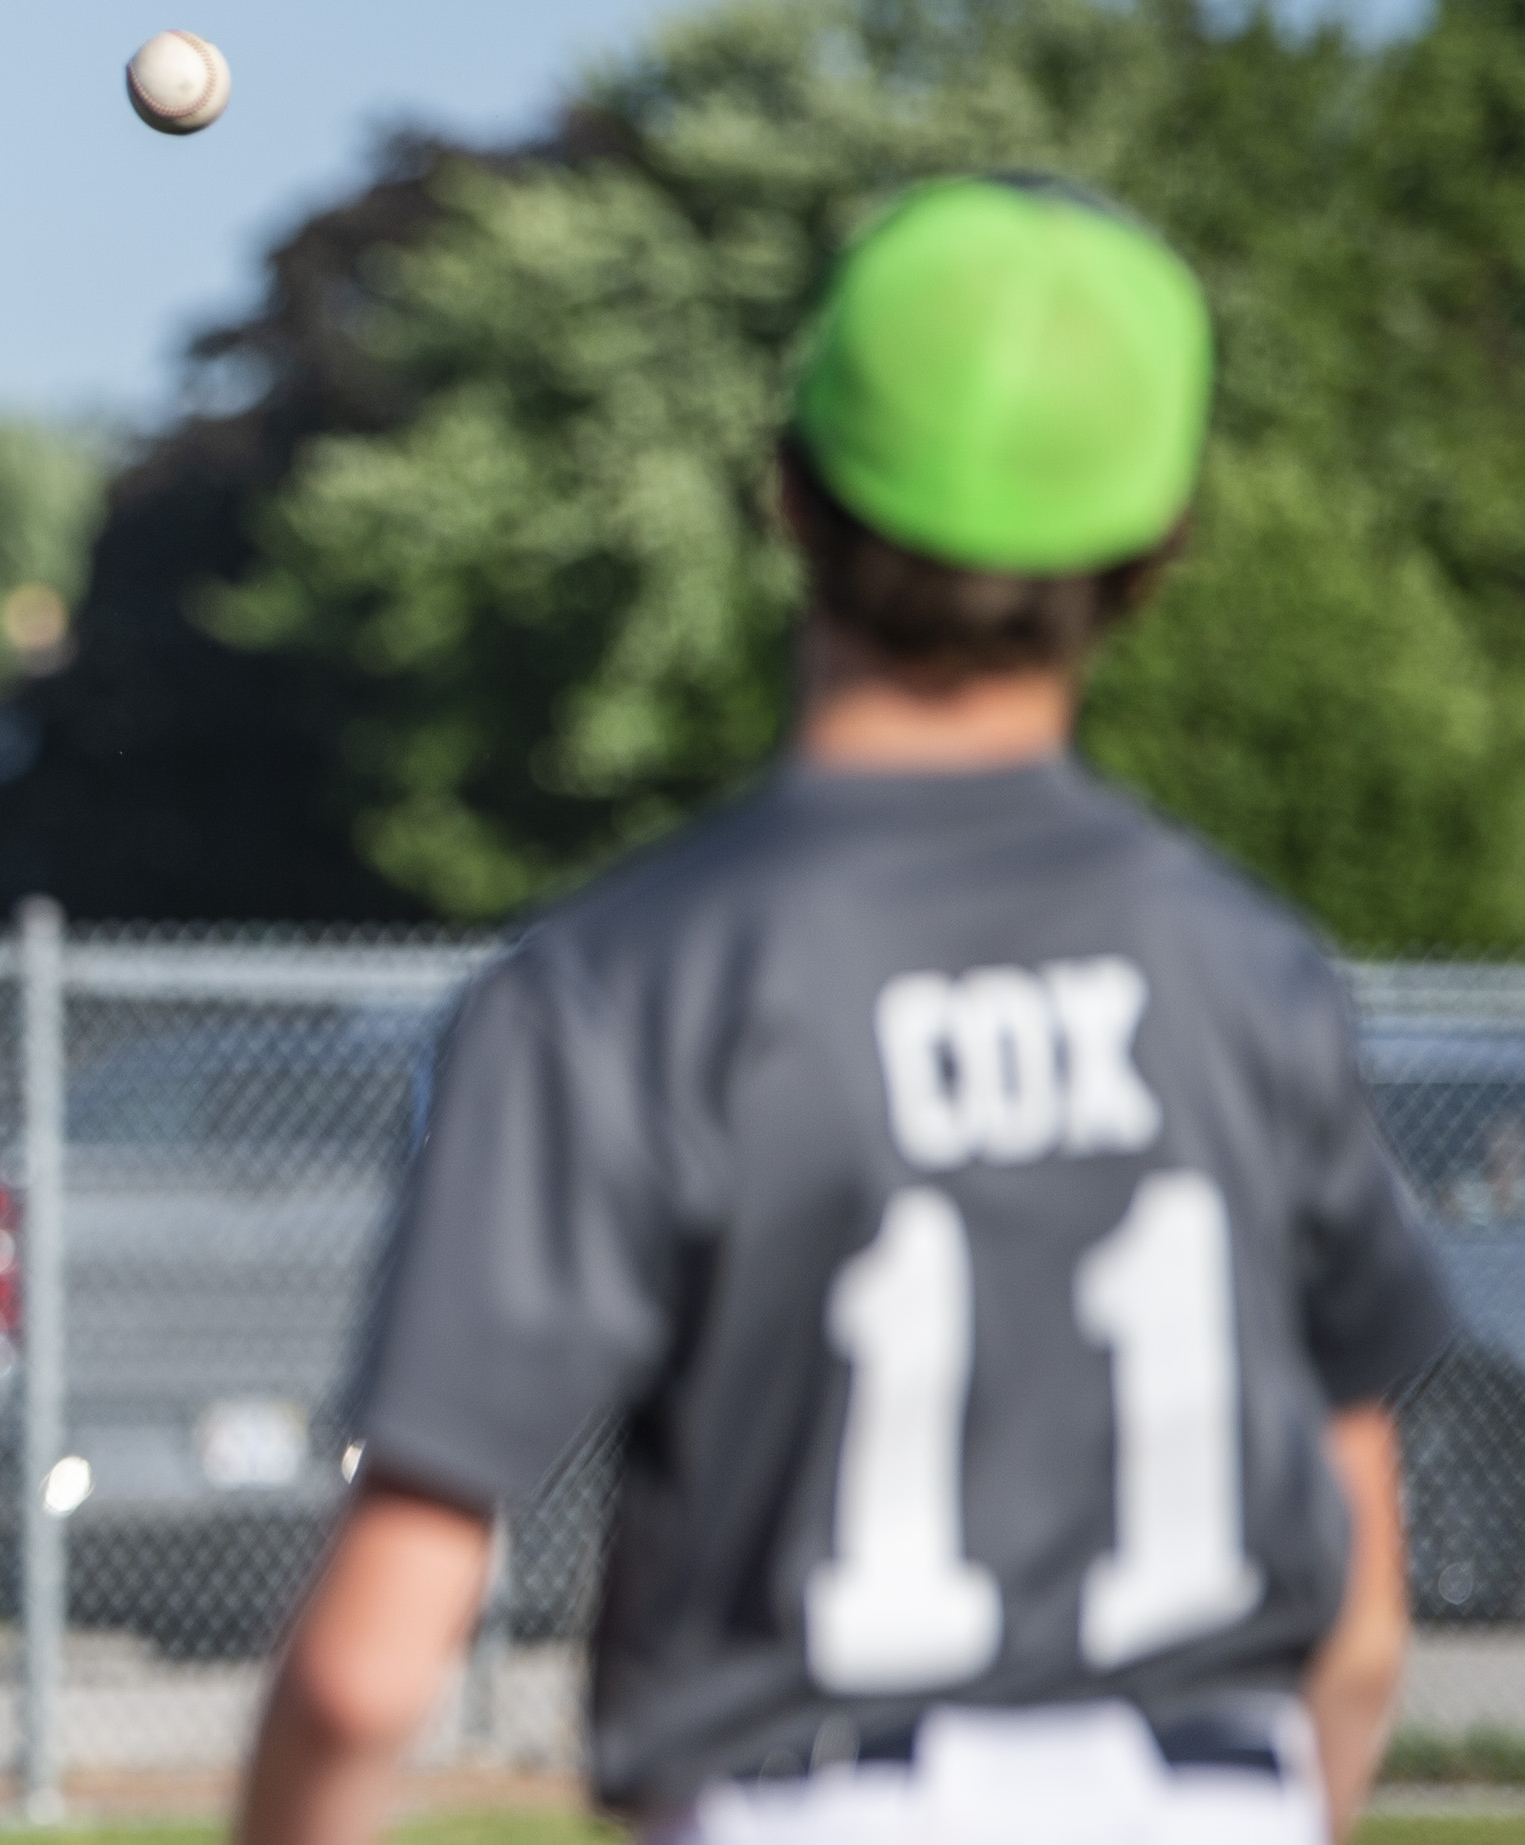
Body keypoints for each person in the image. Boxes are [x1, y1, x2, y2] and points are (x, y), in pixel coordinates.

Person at [240, 178, 1455, 1845]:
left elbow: (364, 1679)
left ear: (789, 497)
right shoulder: (1254, 974)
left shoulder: (624, 983)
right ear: (1155, 555)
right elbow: (1359, 1620)